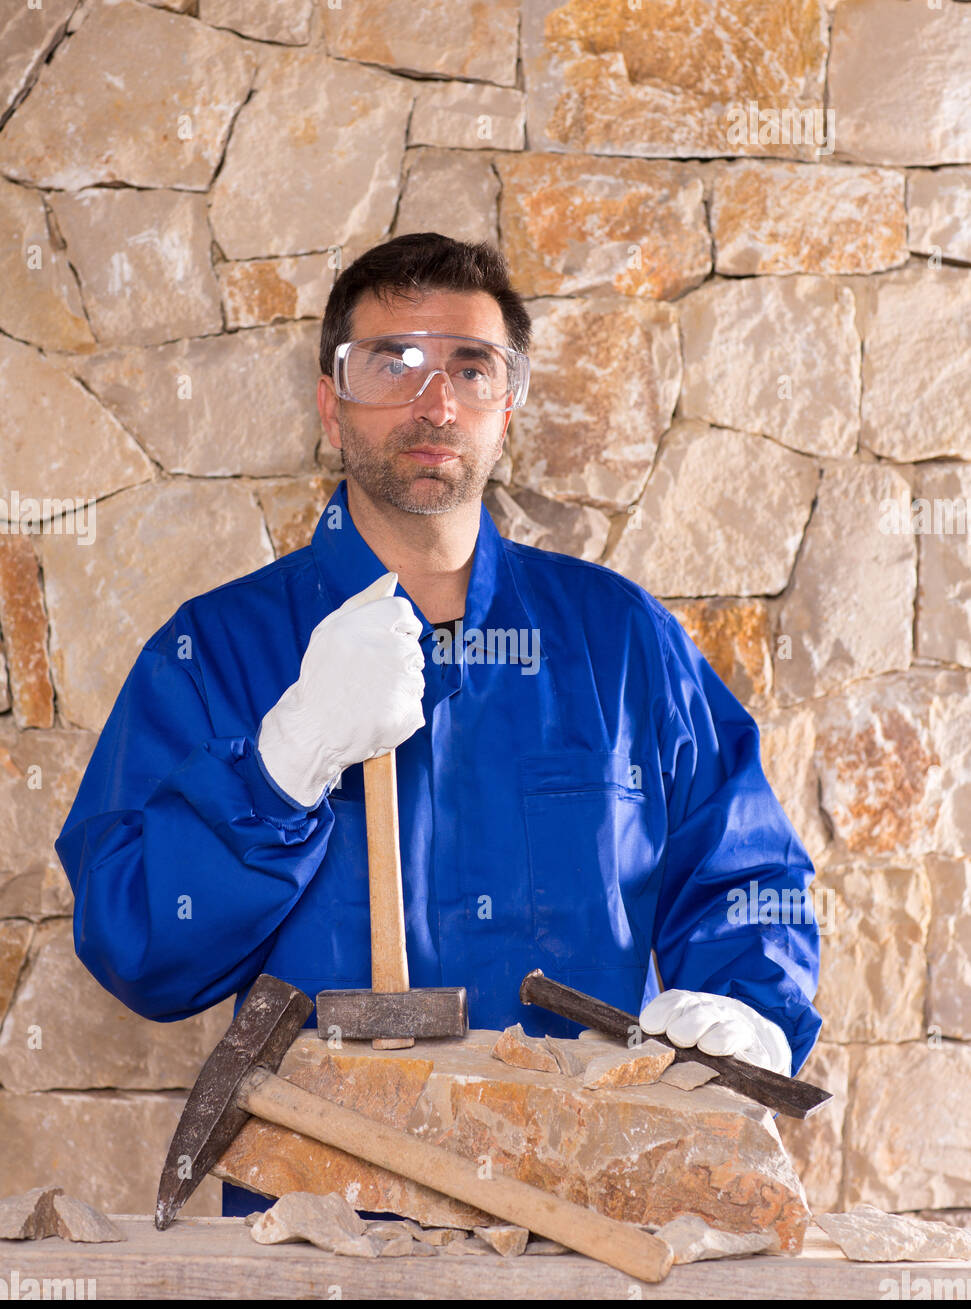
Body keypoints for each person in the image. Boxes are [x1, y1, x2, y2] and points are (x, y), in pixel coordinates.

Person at [56, 232, 820, 1218]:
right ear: (331, 404)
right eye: (393, 362)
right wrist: (278, 767)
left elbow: (745, 874)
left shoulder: (619, 642)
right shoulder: (218, 651)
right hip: (318, 1245)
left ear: (507, 404)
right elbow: (136, 945)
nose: (435, 401)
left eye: (469, 365)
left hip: (582, 1226)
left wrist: (745, 1005)